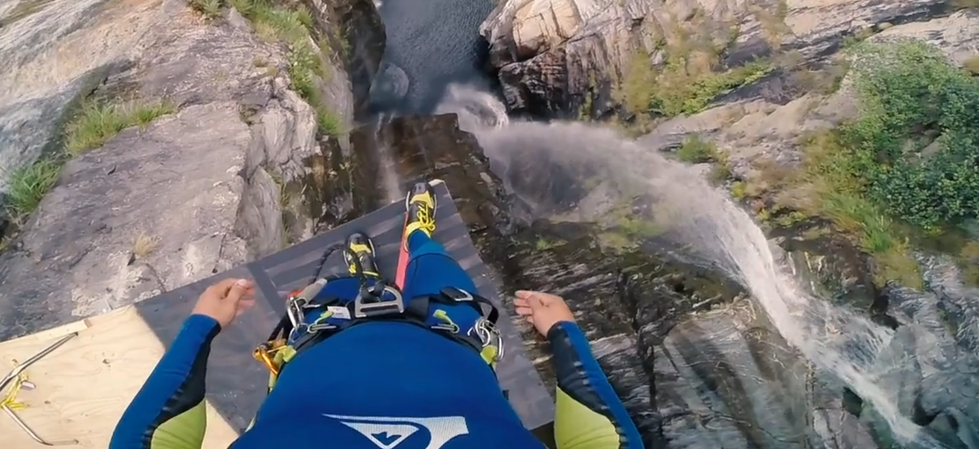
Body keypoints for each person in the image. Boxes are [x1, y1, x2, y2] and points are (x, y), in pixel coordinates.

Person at [111, 183, 645, 449]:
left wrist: (201, 326)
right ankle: (417, 235)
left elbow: (145, 433)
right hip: (446, 333)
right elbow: (607, 437)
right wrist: (566, 334)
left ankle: (365, 270)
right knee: (436, 270)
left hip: (330, 336)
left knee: (344, 291)